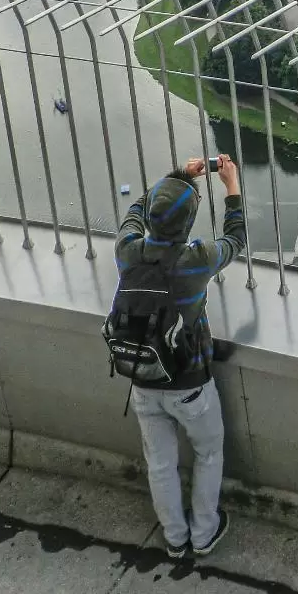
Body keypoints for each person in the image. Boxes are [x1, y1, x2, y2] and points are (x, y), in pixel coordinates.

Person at [114, 155, 245, 560]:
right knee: (208, 452)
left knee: (160, 463)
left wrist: (174, 176)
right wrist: (232, 187)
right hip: (189, 382)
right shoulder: (196, 259)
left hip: (141, 377)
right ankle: (203, 533)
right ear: (188, 224)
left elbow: (135, 211)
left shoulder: (128, 253)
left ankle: (174, 537)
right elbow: (236, 240)